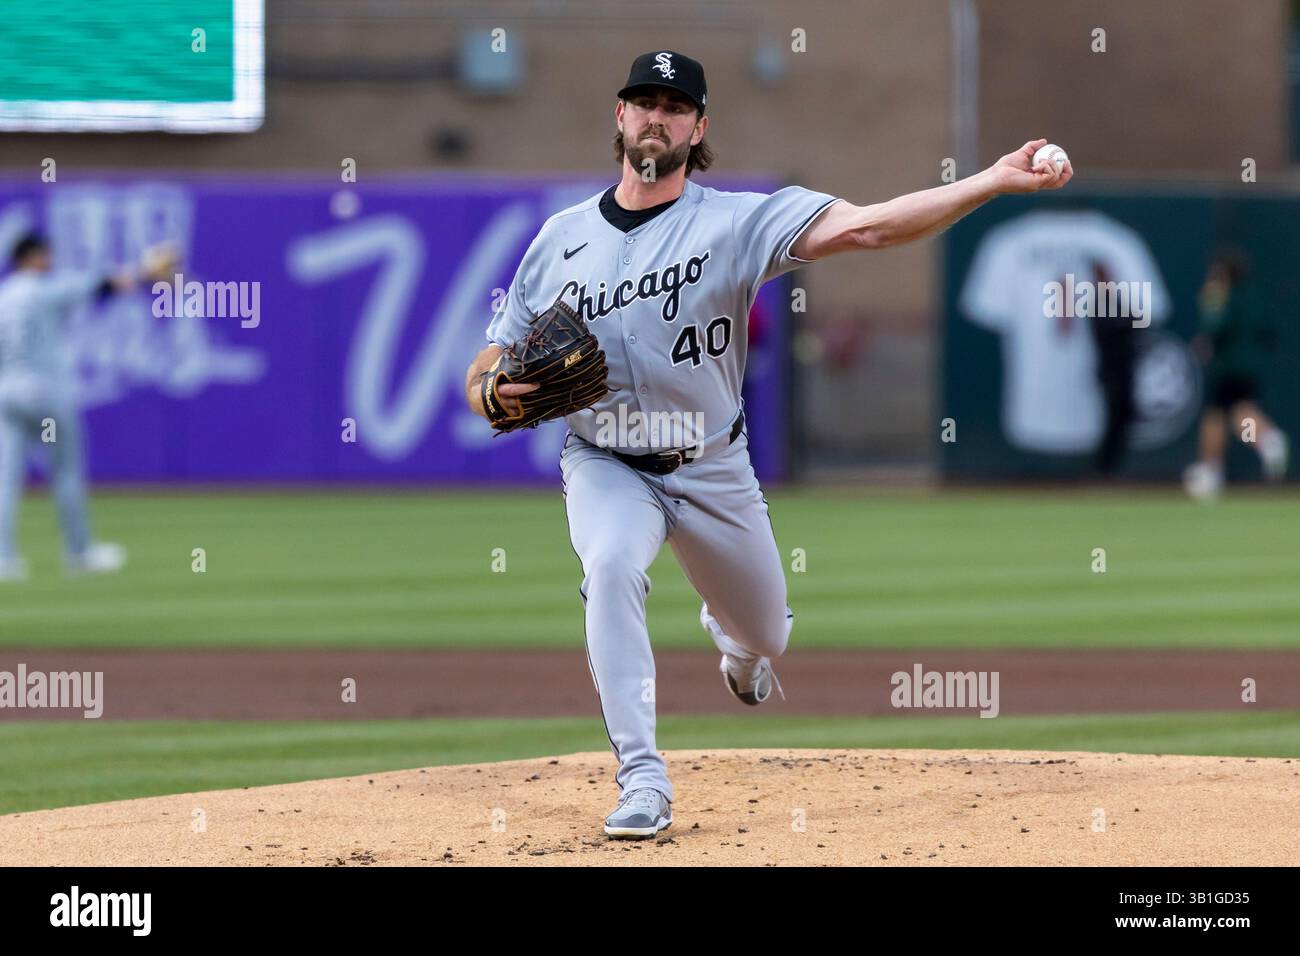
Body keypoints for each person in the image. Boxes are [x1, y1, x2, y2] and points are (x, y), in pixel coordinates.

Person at [463, 50, 1073, 839]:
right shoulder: (560, 238)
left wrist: (989, 179)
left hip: (713, 463)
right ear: (619, 117)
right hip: (606, 459)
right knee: (611, 566)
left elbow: (871, 226)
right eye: (642, 101)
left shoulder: (737, 221)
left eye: (675, 106)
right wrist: (485, 385)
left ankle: (740, 652)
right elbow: (491, 354)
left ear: (700, 127)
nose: (657, 115)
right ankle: (643, 780)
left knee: (766, 633)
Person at [0, 233, 172, 580]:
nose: (50, 261)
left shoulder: (5, 296)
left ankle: (4, 558)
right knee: (65, 471)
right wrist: (145, 271)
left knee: (5, 477)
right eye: (45, 255)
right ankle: (78, 552)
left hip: (7, 393)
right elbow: (102, 284)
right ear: (30, 257)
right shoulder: (42, 288)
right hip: (45, 392)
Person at [1183, 247, 1289, 499]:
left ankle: (1219, 465)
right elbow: (1267, 331)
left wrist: (1207, 335)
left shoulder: (1220, 295)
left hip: (1228, 366)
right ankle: (1262, 440)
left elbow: (1216, 327)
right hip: (1249, 366)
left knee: (1223, 415)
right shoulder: (1253, 296)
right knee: (1238, 412)